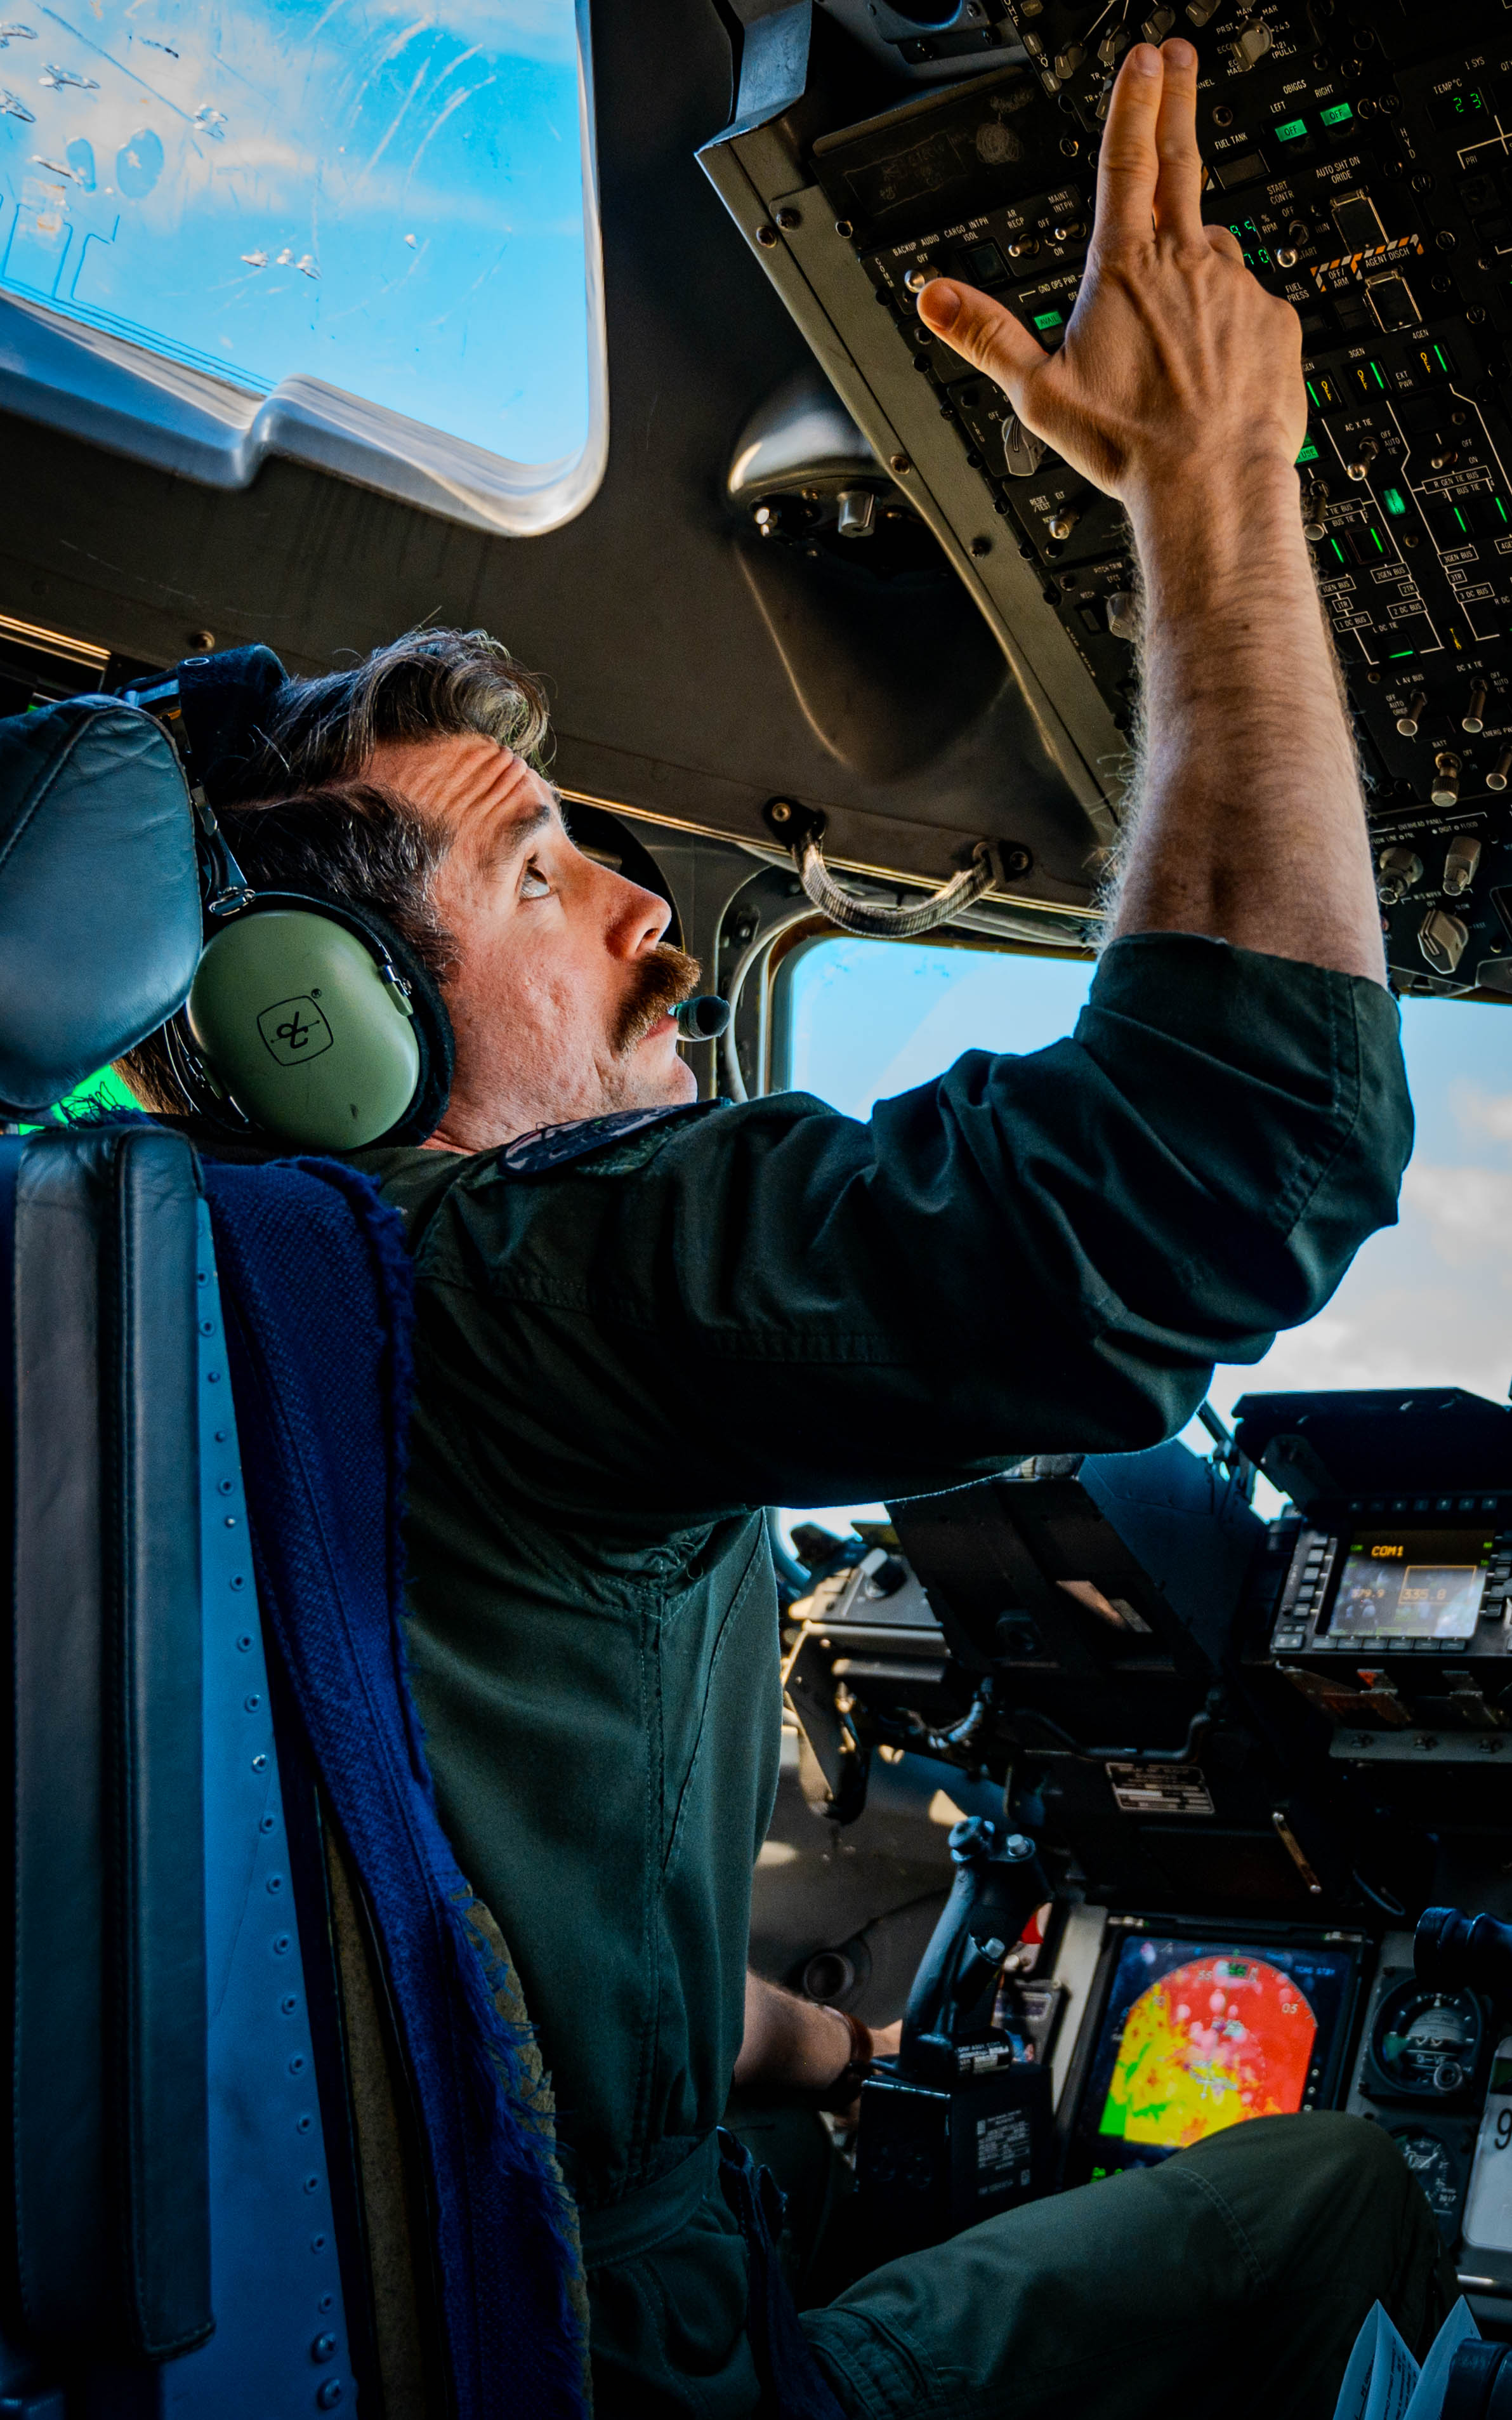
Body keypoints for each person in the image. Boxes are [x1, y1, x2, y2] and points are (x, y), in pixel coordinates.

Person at [120, 39, 1452, 2420]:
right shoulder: (531, 1277)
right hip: (626, 2365)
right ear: (339, 1039)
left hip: (478, 2267)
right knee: (1339, 2182)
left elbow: (476, 1925)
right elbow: (1239, 1149)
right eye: (541, 875)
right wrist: (1214, 478)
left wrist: (823, 2048)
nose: (652, 909)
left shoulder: (196, 1344)